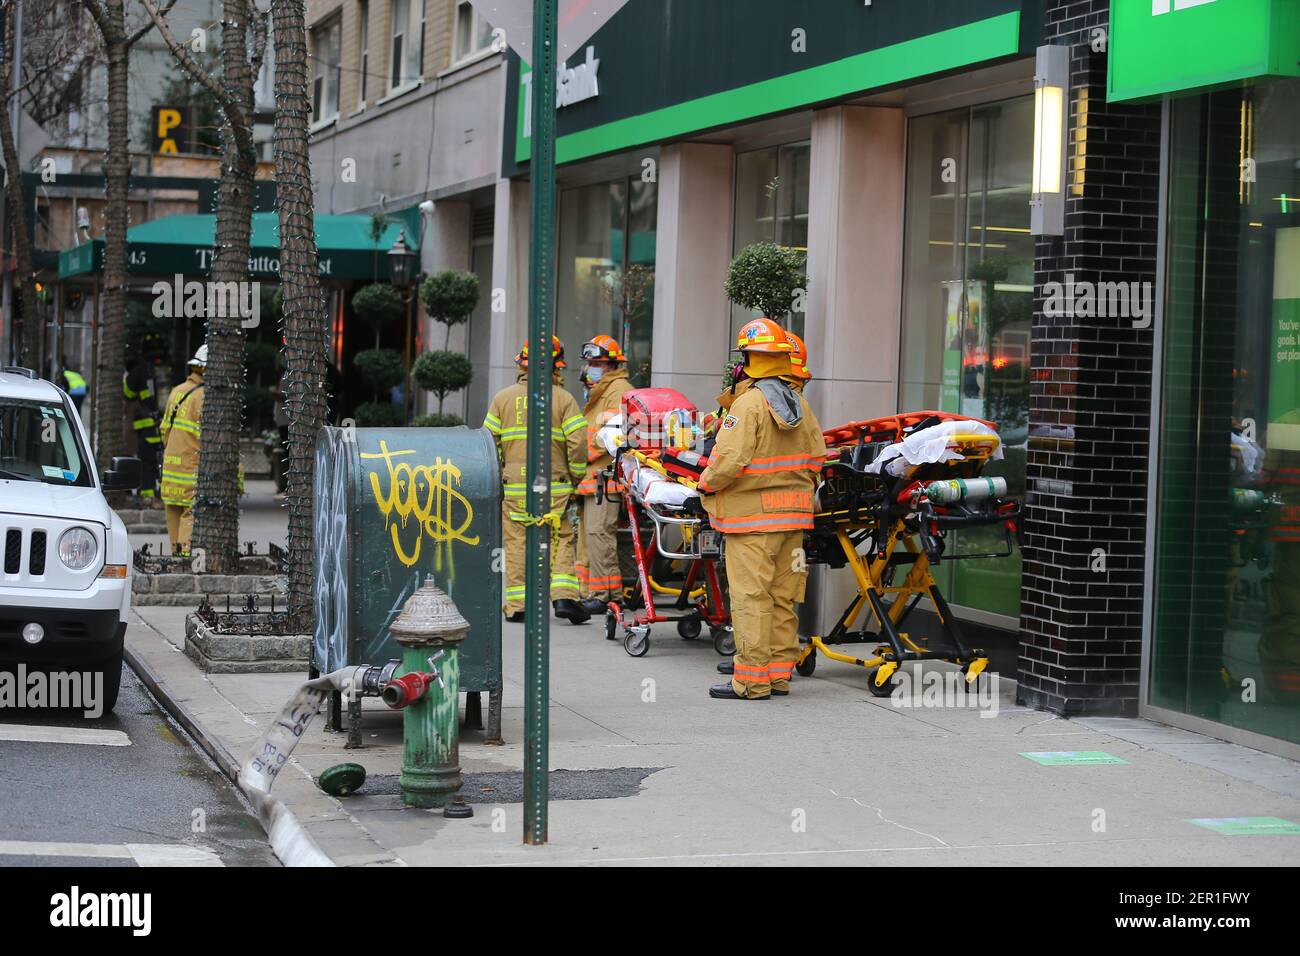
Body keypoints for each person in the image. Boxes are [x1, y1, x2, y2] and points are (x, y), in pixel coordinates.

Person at [698, 319, 826, 700]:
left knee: (752, 598)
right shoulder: (799, 403)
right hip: (795, 520)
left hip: (752, 522)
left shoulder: (749, 403)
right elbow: (818, 457)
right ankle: (778, 675)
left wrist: (704, 484)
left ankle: (752, 681)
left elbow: (729, 460)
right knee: (782, 598)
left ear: (749, 357)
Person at [483, 335, 591, 624]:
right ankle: (565, 597)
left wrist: (498, 476)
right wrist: (575, 476)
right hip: (555, 485)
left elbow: (487, 443)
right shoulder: (564, 400)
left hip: (514, 487)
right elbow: (578, 444)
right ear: (556, 366)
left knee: (517, 541)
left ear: (523, 364)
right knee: (560, 537)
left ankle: (518, 604)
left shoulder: (502, 399)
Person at [575, 334, 634, 614]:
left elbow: (609, 435)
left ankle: (607, 594)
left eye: (597, 362)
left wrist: (574, 452)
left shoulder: (618, 389)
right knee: (589, 537)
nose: (591, 367)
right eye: (589, 362)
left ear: (611, 364)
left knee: (600, 534)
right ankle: (591, 591)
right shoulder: (600, 390)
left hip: (605, 478)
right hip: (592, 478)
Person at [159, 344, 207, 554]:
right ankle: (185, 558)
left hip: (171, 469)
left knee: (173, 512)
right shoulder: (205, 396)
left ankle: (175, 555)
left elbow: (164, 429)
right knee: (190, 513)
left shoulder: (176, 391)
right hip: (191, 469)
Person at [123, 351, 163, 498]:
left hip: (145, 426)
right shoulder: (150, 370)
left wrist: (128, 378)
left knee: (146, 461)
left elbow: (128, 394)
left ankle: (147, 493)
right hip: (157, 424)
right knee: (154, 459)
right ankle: (153, 490)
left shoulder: (136, 372)